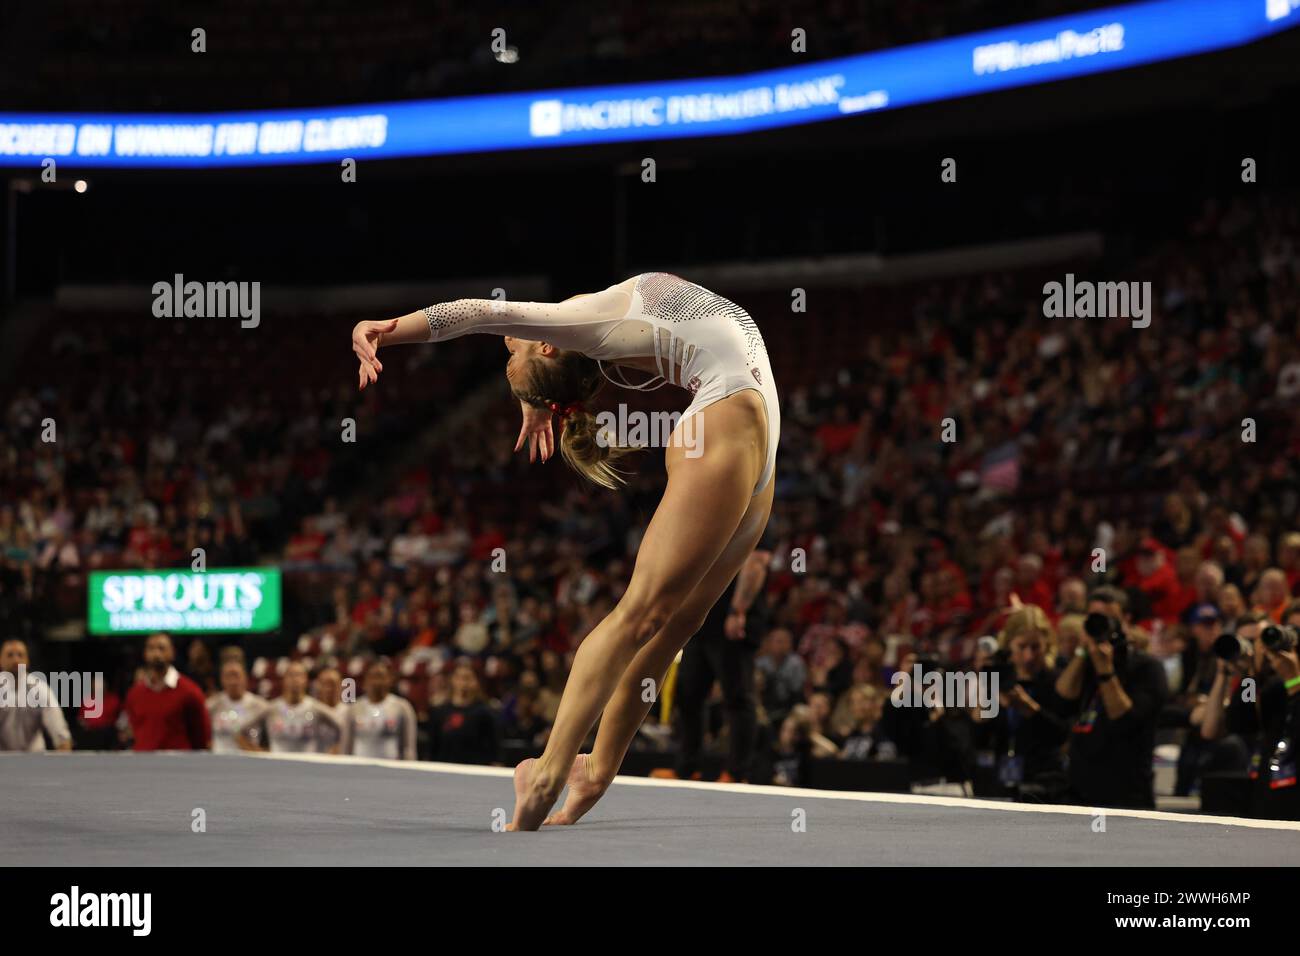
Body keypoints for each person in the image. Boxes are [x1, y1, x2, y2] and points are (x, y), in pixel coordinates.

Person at [352, 271, 779, 829]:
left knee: (661, 623)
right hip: (748, 424)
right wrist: (537, 397)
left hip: (737, 420)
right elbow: (512, 332)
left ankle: (569, 773)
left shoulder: (588, 326)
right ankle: (571, 772)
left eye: (514, 358)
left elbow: (482, 313)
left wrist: (387, 330)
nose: (512, 342)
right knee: (653, 620)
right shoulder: (588, 327)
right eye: (514, 357)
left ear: (550, 345)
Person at [1054, 587, 1168, 809]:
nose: (1100, 624)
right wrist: (1082, 652)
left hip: (1126, 797)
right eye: (1094, 618)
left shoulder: (1147, 667)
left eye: (1107, 619)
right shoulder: (1084, 663)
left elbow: (1124, 719)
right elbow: (1061, 700)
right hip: (1078, 792)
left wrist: (1105, 669)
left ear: (1126, 620)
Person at [674, 548, 771, 782]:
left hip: (732, 624)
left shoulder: (755, 513)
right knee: (688, 695)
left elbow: (757, 562)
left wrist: (738, 610)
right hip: (702, 621)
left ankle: (737, 773)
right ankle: (688, 769)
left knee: (737, 698)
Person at [123, 633, 211, 751]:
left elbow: (202, 737)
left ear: (172, 652)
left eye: (161, 648)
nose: (156, 654)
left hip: (177, 765)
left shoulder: (190, 692)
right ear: (145, 654)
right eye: (151, 648)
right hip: (143, 764)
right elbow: (134, 729)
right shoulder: (135, 694)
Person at [237, 661, 340, 754]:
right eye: (291, 675)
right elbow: (240, 733)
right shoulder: (271, 708)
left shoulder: (315, 708)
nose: (295, 679)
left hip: (308, 769)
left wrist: (330, 755)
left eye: (299, 675)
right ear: (284, 680)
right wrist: (260, 755)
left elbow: (343, 729)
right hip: (278, 768)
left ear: (306, 680)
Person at [0, 638, 72, 751]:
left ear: (27, 661)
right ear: (1, 660)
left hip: (34, 759)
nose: (15, 660)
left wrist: (64, 760)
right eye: (10, 655)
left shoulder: (40, 689)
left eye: (20, 655)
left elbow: (60, 733)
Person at [341, 659, 418, 760]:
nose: (377, 682)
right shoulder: (354, 708)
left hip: (390, 769)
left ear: (390, 680)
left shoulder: (402, 707)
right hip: (359, 768)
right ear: (365, 681)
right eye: (373, 677)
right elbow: (346, 745)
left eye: (381, 677)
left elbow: (409, 747)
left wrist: (409, 769)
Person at [208, 658, 268, 754]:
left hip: (249, 761)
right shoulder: (212, 705)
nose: (233, 681)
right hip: (219, 760)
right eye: (228, 676)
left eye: (236, 675)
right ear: (222, 679)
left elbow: (269, 741)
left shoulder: (261, 706)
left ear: (245, 677)